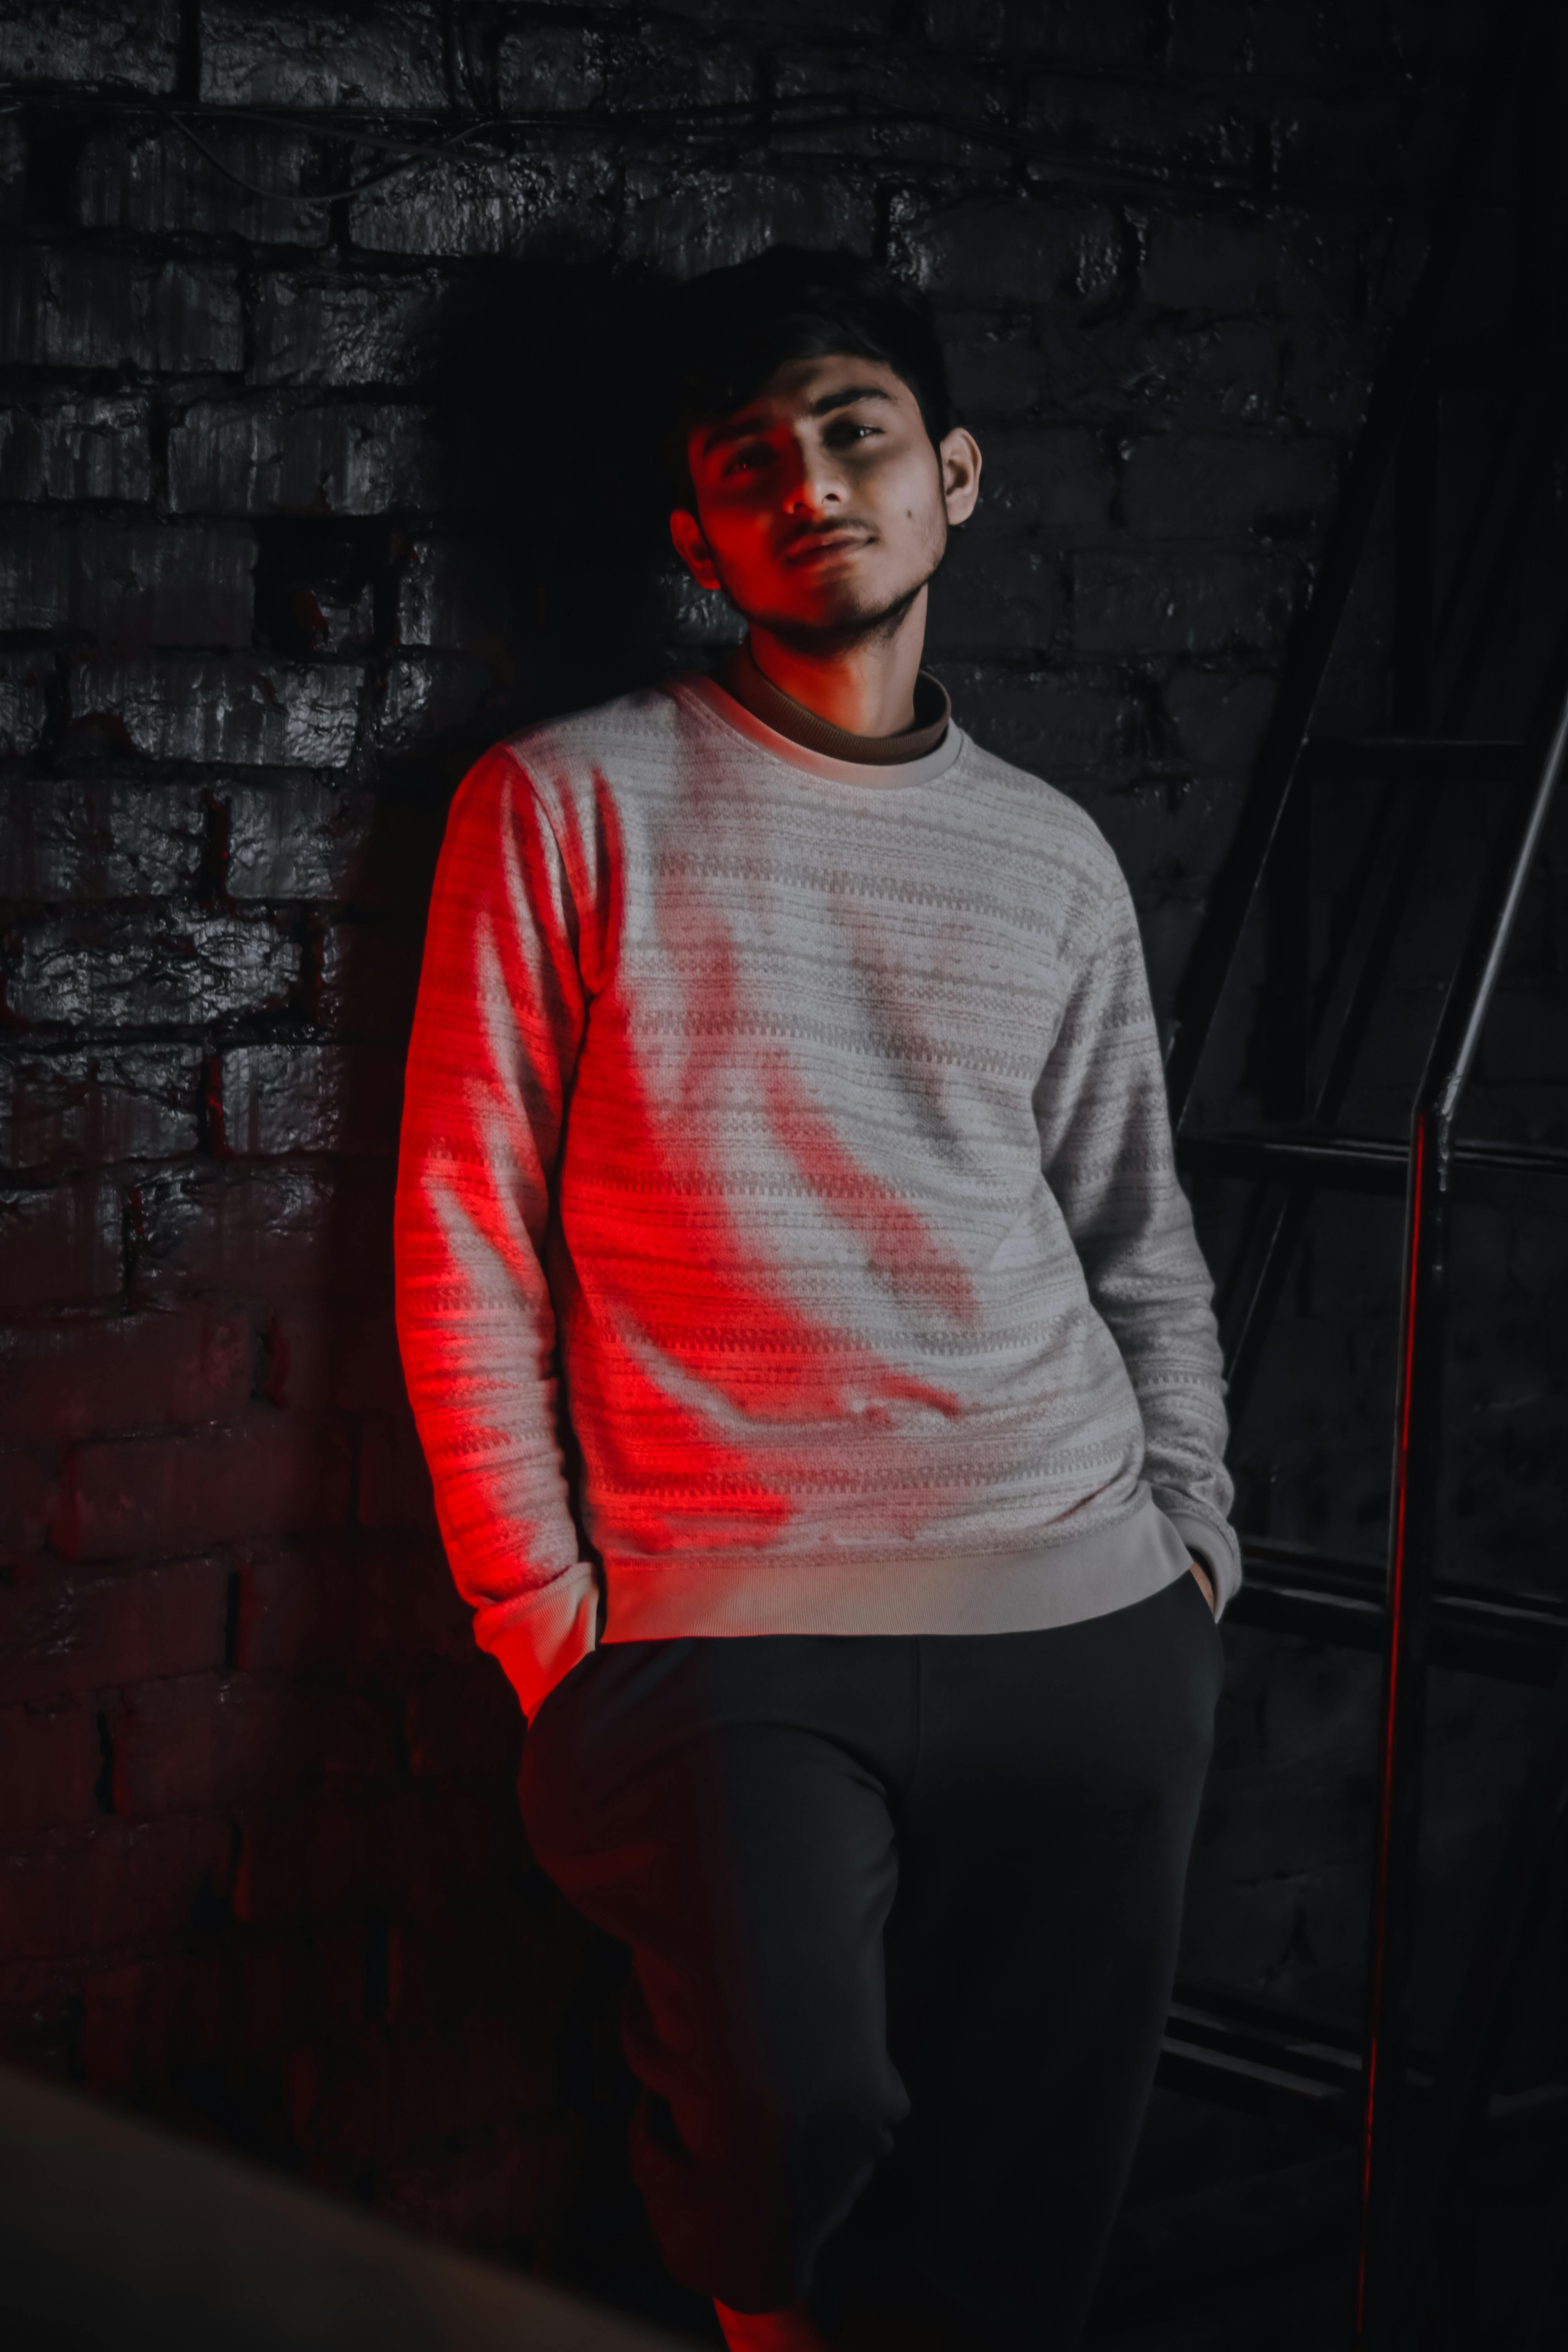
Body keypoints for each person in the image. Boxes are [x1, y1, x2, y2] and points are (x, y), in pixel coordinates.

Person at [394, 246, 1236, 2352]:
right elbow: (467, 1234)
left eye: (854, 432)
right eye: (749, 463)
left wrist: (1194, 1543)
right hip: (722, 1626)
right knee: (791, 2132)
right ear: (697, 541)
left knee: (1025, 2217)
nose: (812, 484)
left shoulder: (1050, 856)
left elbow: (1132, 1224)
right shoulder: (560, 807)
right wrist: (543, 1618)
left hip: (1085, 1603)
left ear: (955, 474)